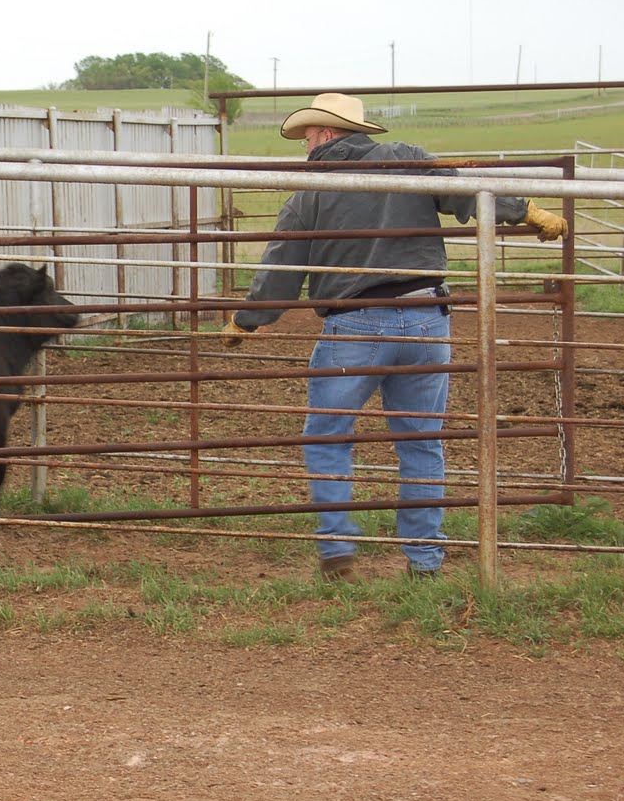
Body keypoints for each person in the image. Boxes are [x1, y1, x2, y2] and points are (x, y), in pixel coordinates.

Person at [220, 93, 568, 582]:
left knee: (328, 435)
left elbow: (282, 267)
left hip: (355, 324)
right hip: (427, 317)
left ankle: (337, 547)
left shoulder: (307, 192)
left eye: (306, 137)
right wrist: (524, 209)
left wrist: (247, 320)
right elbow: (465, 193)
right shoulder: (406, 159)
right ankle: (425, 561)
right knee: (422, 442)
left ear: (323, 134)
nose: (304, 147)